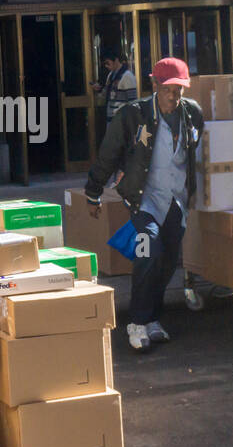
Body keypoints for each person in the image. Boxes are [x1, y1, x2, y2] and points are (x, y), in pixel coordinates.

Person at [84, 57, 203, 353]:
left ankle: (152, 318)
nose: (174, 97)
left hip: (175, 197)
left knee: (168, 260)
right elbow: (109, 152)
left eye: (179, 90)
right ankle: (137, 321)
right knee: (147, 251)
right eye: (168, 90)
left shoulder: (192, 114)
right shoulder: (134, 115)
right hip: (142, 197)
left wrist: (192, 190)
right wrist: (93, 191)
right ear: (155, 85)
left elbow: (190, 153)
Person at [90, 48, 138, 124]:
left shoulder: (127, 76)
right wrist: (99, 89)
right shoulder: (111, 75)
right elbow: (107, 94)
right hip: (111, 118)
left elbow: (133, 102)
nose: (106, 66)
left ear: (116, 60)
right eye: (104, 64)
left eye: (107, 63)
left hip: (122, 121)